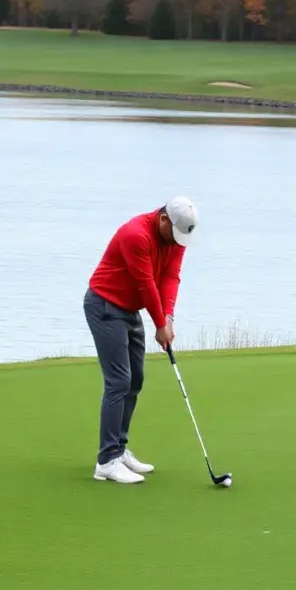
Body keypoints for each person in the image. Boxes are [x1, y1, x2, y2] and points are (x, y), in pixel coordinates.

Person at [83, 196, 198, 484]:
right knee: (118, 381)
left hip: (129, 309)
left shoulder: (174, 239)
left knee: (136, 380)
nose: (176, 242)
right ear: (163, 220)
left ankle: (119, 449)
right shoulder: (136, 235)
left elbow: (170, 276)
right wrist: (159, 324)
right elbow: (146, 283)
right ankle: (106, 461)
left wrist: (168, 318)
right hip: (105, 305)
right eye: (174, 234)